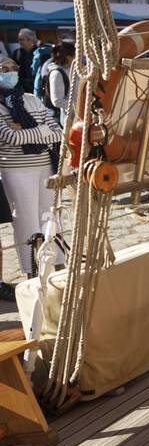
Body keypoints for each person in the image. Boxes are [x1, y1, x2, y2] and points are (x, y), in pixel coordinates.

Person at [0, 57, 61, 291]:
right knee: (26, 222)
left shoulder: (32, 99)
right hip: (15, 171)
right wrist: (41, 131)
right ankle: (31, 274)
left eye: (13, 68)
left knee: (51, 218)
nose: (10, 72)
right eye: (3, 69)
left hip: (44, 166)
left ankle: (56, 267)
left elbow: (57, 131)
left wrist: (29, 130)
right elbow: (10, 137)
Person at [13, 29, 38, 94]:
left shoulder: (40, 52)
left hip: (37, 87)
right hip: (22, 89)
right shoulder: (17, 53)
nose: (19, 42)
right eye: (19, 39)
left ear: (30, 40)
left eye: (21, 39)